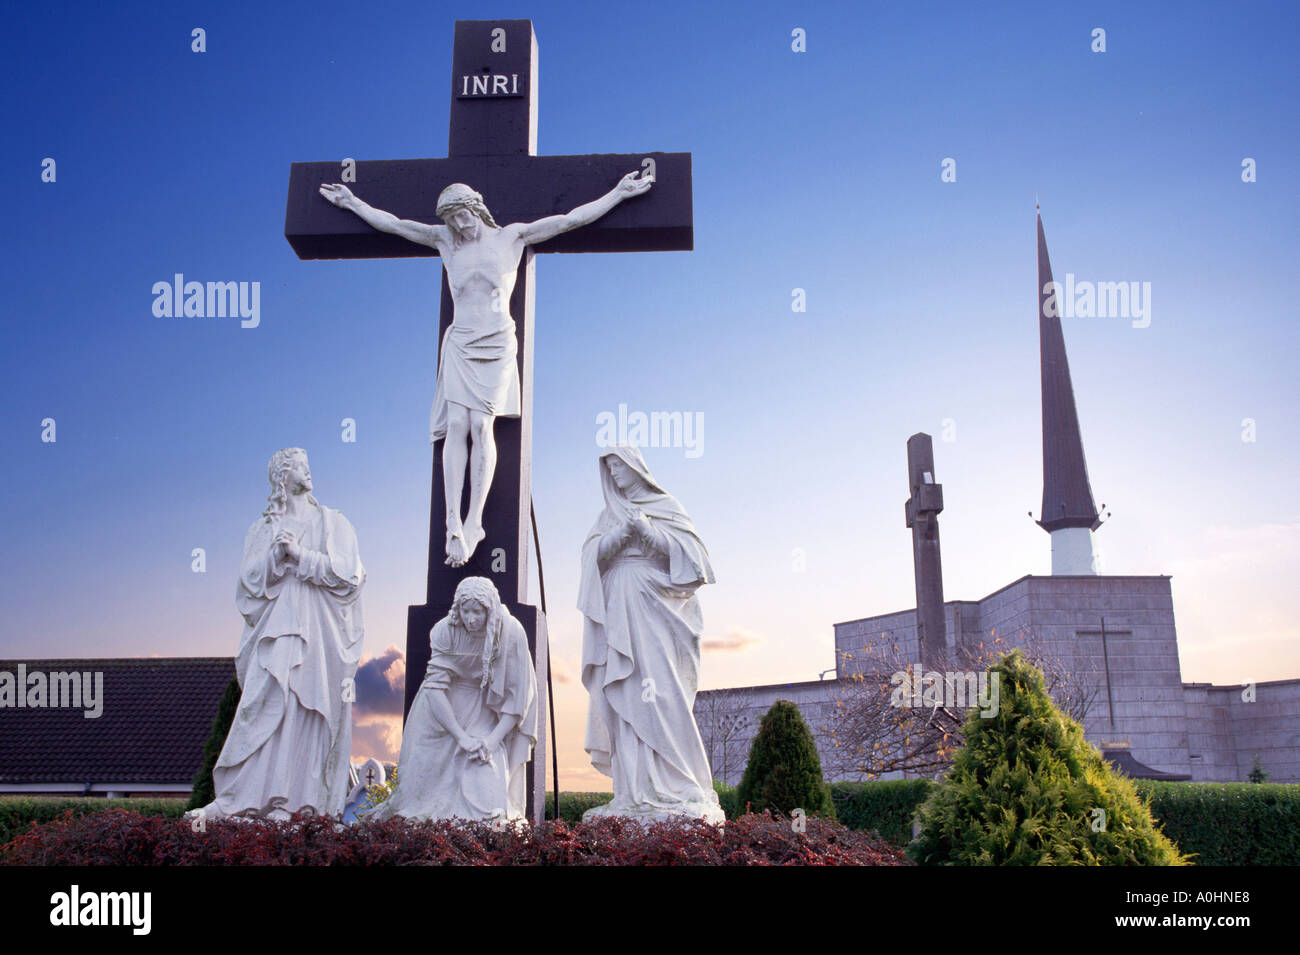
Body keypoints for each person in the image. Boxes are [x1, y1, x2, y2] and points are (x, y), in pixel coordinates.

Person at [319, 173, 653, 568]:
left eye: (462, 215)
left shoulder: (510, 238)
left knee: (482, 425)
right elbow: (395, 224)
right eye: (451, 220)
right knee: (456, 425)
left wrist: (617, 193)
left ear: (476, 208)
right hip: (461, 341)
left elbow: (569, 220)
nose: (459, 225)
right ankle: (452, 524)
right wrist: (352, 203)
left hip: (495, 342)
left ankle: (474, 520)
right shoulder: (445, 242)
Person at [195, 448, 365, 821]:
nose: (309, 470)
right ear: (284, 477)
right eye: (302, 465)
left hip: (317, 629)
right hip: (276, 624)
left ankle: (296, 803)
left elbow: (349, 574)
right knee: (265, 697)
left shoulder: (332, 522)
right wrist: (276, 556)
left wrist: (299, 555)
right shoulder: (262, 528)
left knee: (306, 705)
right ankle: (245, 797)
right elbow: (248, 583)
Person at [578, 446, 724, 823]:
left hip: (656, 608)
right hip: (618, 609)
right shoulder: (607, 515)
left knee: (662, 692)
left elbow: (695, 562)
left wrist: (646, 530)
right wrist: (620, 534)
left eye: (619, 467)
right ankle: (632, 791)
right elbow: (592, 558)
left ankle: (680, 782)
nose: (616, 475)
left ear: (635, 467)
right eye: (609, 468)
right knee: (625, 694)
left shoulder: (667, 506)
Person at [365, 576, 537, 824]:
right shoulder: (444, 630)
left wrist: (491, 740)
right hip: (441, 712)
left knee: (486, 784)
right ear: (457, 609)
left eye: (478, 611)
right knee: (420, 796)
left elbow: (518, 699)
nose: (471, 618)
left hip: (485, 709)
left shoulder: (510, 633)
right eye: (465, 611)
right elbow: (435, 689)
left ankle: (478, 832)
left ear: (490, 610)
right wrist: (460, 736)